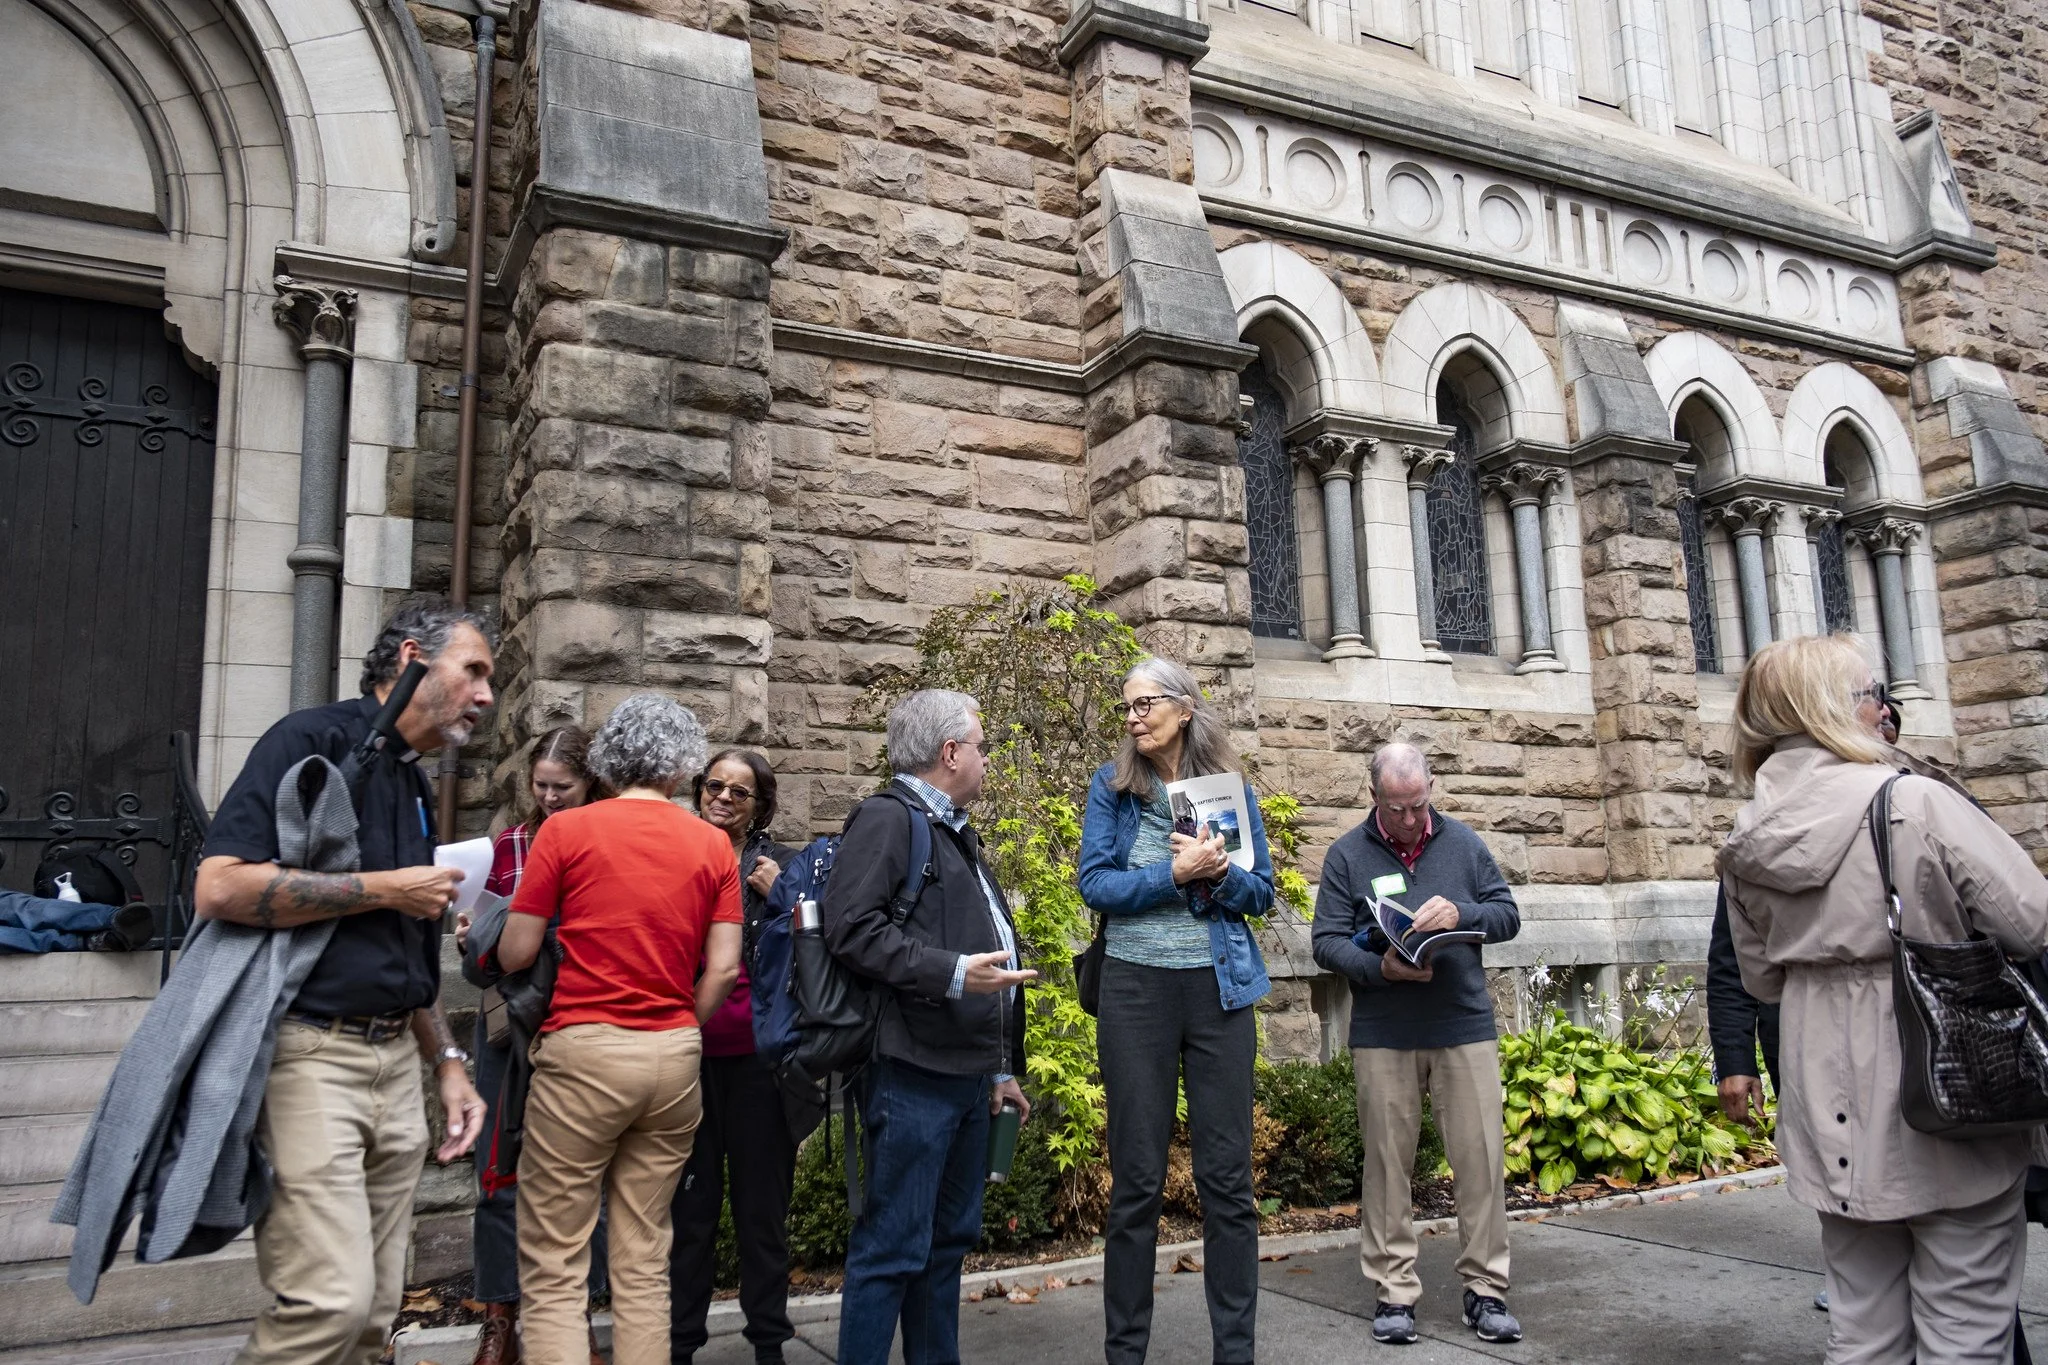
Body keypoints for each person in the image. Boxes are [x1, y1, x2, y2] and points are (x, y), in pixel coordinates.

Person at [1720, 635, 2048, 1365]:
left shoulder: (1748, 835)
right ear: (1837, 708)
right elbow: (2030, 918)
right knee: (1965, 1331)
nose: (1882, 707)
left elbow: (1762, 980)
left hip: (1824, 1098)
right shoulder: (1914, 802)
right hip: (1944, 1082)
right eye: (1873, 692)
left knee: (1863, 1333)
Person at [191, 596, 493, 1364]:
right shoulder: (310, 742)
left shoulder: (412, 781)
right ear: (410, 662)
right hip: (310, 1055)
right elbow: (222, 887)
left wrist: (446, 1061)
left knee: (372, 1318)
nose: (488, 695)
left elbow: (404, 948)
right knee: (328, 1302)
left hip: (395, 1062)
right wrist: (388, 888)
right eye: (476, 671)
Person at [496, 694, 742, 1365]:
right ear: (682, 762)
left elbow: (516, 950)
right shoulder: (713, 843)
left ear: (608, 758)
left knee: (555, 1259)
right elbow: (722, 968)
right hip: (671, 1057)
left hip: (583, 1049)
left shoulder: (566, 833)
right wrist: (679, 1025)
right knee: (642, 1256)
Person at [821, 689, 1034, 1365]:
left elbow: (987, 960)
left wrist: (999, 1068)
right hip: (912, 1076)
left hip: (967, 1078)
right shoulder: (890, 819)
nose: (987, 758)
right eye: (981, 745)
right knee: (892, 1251)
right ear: (950, 753)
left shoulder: (951, 830)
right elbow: (851, 928)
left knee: (942, 1251)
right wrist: (949, 971)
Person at [1076, 657, 1275, 1365]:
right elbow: (1095, 884)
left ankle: (1236, 1353)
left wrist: (1221, 874)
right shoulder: (1114, 786)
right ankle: (1125, 1352)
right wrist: (1173, 874)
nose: (1132, 716)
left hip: (1218, 991)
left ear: (1184, 708)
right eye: (1127, 706)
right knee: (1136, 1181)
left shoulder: (1227, 788)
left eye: (1145, 703)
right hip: (1136, 992)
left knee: (1228, 1180)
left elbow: (1264, 893)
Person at [1308, 741, 1524, 1348]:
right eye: (1396, 807)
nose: (1408, 819)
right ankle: (1394, 1292)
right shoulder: (1347, 855)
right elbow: (1325, 943)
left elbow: (1507, 916)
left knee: (1480, 1162)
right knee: (1387, 1168)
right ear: (1372, 795)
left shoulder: (1465, 844)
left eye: (1418, 804)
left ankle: (1485, 1291)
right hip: (1385, 1033)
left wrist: (1459, 915)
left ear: (1432, 785)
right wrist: (1381, 969)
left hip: (1463, 1025)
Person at [464, 724, 605, 1365]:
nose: (549, 797)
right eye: (540, 786)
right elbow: (482, 960)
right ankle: (500, 1319)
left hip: (579, 1021)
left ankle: (576, 1324)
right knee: (499, 1173)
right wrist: (477, 930)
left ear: (591, 782)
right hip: (508, 1027)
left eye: (563, 787)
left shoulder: (608, 837)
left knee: (587, 1180)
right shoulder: (511, 844)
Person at [670, 748, 798, 1365]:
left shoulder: (785, 866)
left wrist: (786, 897)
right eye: (713, 786)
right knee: (689, 1211)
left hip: (758, 1061)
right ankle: (680, 1343)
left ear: (760, 806)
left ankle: (768, 1343)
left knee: (761, 1210)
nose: (722, 797)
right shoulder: (672, 852)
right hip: (685, 1059)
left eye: (739, 792)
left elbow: (823, 942)